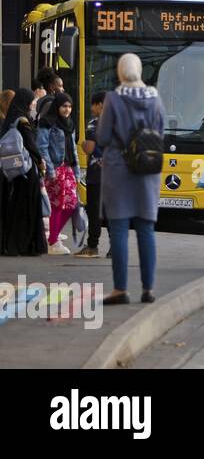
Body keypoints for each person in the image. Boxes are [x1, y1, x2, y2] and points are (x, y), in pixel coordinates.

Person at [98, 53, 166, 305]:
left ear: (119, 72)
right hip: (148, 170)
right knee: (146, 230)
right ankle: (148, 289)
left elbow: (103, 136)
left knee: (119, 230)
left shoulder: (114, 99)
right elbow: (160, 131)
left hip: (118, 170)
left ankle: (120, 289)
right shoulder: (155, 98)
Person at [0, 89, 48, 256]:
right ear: (25, 102)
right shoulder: (22, 121)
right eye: (32, 102)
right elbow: (30, 144)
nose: (34, 105)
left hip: (13, 171)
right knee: (27, 209)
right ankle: (25, 244)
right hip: (27, 170)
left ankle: (13, 243)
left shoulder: (10, 119)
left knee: (14, 208)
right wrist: (40, 160)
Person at [36, 91, 78, 255]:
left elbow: (73, 148)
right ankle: (53, 241)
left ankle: (52, 236)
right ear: (57, 106)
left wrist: (76, 169)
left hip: (67, 168)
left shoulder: (69, 124)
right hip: (55, 169)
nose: (67, 109)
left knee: (71, 205)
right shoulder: (47, 123)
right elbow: (42, 147)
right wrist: (50, 171)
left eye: (69, 106)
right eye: (64, 106)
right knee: (58, 205)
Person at [75, 91, 107, 257]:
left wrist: (82, 144)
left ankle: (92, 246)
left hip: (97, 174)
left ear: (99, 104)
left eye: (93, 104)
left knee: (95, 211)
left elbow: (89, 148)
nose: (91, 108)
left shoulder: (95, 123)